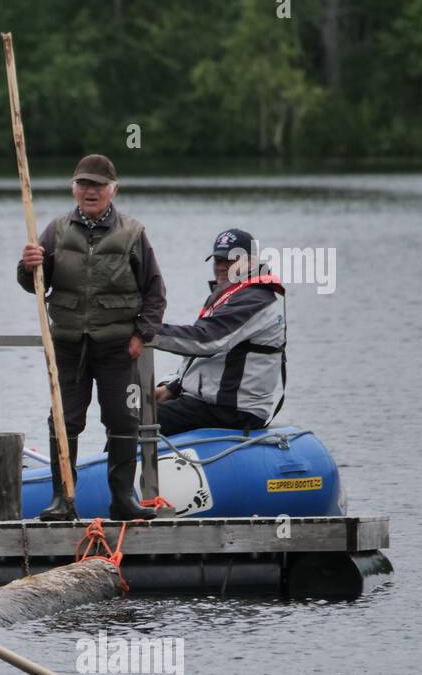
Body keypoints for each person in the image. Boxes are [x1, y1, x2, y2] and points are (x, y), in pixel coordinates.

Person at [17, 155, 167, 521]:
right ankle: (62, 501)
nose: (90, 191)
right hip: (67, 346)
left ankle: (123, 501)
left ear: (112, 189)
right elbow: (33, 285)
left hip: (118, 346)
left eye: (98, 185)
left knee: (122, 420)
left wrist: (141, 335)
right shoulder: (55, 230)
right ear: (74, 188)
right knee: (64, 421)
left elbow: (155, 292)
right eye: (84, 184)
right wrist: (28, 265)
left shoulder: (133, 233)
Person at [153, 228, 286, 434]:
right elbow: (205, 356)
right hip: (211, 404)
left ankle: (119, 465)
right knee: (133, 407)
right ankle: (120, 463)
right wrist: (172, 388)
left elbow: (206, 342)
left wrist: (148, 333)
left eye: (230, 261)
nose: (222, 267)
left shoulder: (254, 299)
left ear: (251, 262)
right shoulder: (230, 294)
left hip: (235, 410)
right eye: (218, 260)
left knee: (144, 419)